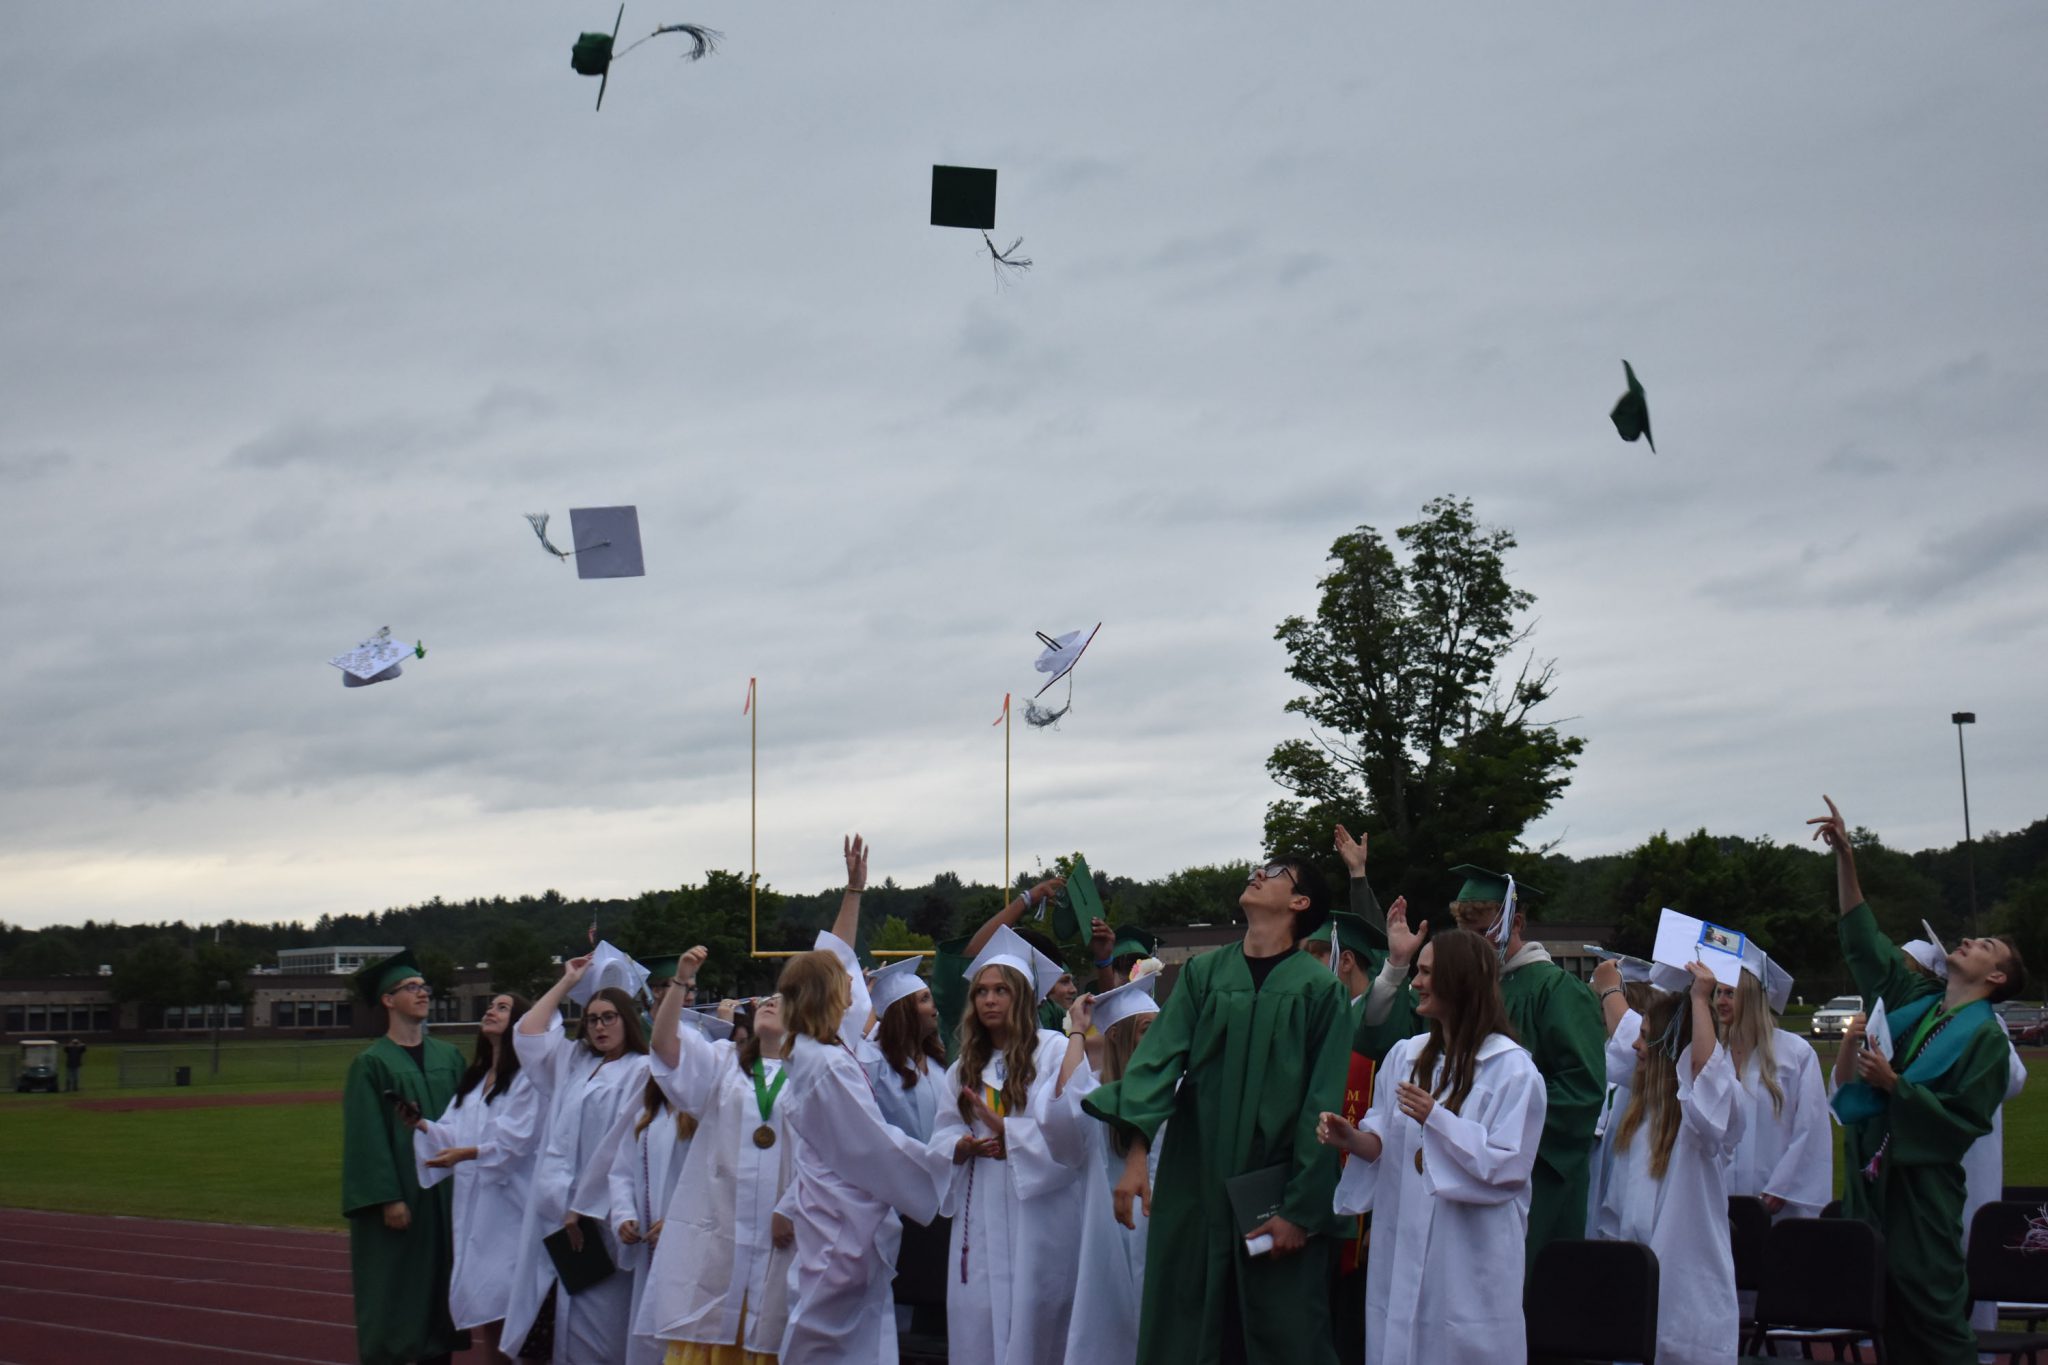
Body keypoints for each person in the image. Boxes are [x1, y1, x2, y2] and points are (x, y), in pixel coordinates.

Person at [1082, 854, 1354, 1365]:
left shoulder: (1320, 992)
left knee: (1282, 1334)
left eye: (1277, 872)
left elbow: (1322, 1108)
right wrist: (1137, 1154)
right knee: (1187, 1329)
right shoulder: (1205, 974)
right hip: (1195, 1183)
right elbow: (1156, 1063)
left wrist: (1299, 1212)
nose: (1260, 871)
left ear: (1300, 903)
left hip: (1273, 1191)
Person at [1811, 795, 2028, 1364]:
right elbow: (1865, 941)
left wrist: (1893, 1086)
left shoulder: (1985, 1037)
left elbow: (1963, 1121)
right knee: (1875, 1315)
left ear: (1997, 976)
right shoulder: (1915, 998)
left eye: (1985, 946)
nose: (1968, 942)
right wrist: (1846, 860)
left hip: (1922, 1193)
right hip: (1872, 1179)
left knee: (1934, 1321)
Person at [1315, 929, 1545, 1365]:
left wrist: (1437, 1119)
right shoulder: (1407, 1056)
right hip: (1402, 1244)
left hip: (1466, 1253)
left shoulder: (1512, 1072)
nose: (1416, 983)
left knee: (1459, 1344)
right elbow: (1385, 1144)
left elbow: (1509, 1167)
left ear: (1458, 981)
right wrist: (1353, 1139)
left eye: (1425, 973)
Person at [1356, 865, 1604, 1265]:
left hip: (1527, 1177)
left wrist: (1481, 1127)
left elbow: (1582, 1091)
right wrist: (1397, 966)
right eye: (1460, 927)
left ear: (1514, 922)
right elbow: (1380, 1040)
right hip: (1439, 1177)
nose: (1466, 940)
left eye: (1478, 927)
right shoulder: (1448, 993)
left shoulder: (1555, 991)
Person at [775, 946, 955, 1365]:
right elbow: (873, 1143)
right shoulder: (830, 1064)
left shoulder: (809, 1053)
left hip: (832, 1207)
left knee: (847, 1332)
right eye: (846, 981)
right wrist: (943, 1162)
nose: (855, 989)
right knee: (824, 1335)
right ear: (828, 994)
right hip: (842, 1216)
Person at [931, 924, 1088, 1364]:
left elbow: (1073, 1134)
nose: (989, 1000)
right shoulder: (963, 1068)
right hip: (979, 1211)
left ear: (1021, 997)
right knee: (978, 1318)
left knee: (1036, 1319)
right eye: (982, 991)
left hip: (1038, 1216)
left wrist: (1004, 1130)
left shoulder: (1053, 1051)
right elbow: (941, 1133)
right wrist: (960, 1146)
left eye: (1001, 990)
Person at [637, 944, 796, 1363]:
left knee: (771, 1333)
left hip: (781, 1233)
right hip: (721, 1230)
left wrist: (794, 1205)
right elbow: (665, 1045)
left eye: (781, 1001)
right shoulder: (724, 1063)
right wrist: (681, 980)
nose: (768, 1003)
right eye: (766, 999)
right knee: (713, 1327)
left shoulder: (811, 1071)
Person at [503, 957, 654, 1364]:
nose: (601, 1027)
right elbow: (528, 1035)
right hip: (553, 1214)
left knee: (602, 1332)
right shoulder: (574, 1063)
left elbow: (618, 1145)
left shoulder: (641, 1071)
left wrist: (582, 1207)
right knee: (556, 1328)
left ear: (628, 1020)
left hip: (601, 1218)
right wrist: (567, 982)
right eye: (591, 1020)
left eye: (609, 1017)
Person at [1594, 964, 1743, 1365]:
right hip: (1636, 1293)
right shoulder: (1639, 1116)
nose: (1635, 1047)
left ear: (1667, 1046)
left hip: (1687, 1299)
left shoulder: (1700, 1124)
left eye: (1646, 1037)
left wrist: (1699, 999)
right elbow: (1615, 1214)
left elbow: (1707, 1076)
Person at [340, 949, 470, 1365]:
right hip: (403, 1198)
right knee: (397, 1290)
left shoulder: (448, 1057)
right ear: (387, 999)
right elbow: (366, 1137)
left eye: (423, 986)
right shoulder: (371, 1063)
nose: (422, 993)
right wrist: (388, 1197)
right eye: (410, 987)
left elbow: (470, 1119)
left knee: (442, 1289)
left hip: (447, 1195)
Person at [1903, 939, 2033, 1342]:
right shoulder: (1917, 1017)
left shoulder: (1983, 1023)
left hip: (1966, 1165)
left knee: (1966, 1265)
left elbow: (2013, 1080)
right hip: (1913, 1167)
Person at [410, 992, 542, 1363]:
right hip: (473, 1210)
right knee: (486, 1305)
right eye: (490, 1005)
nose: (490, 1010)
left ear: (519, 1021)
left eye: (502, 1007)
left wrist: (467, 1154)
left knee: (511, 1305)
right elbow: (452, 1133)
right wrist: (420, 1125)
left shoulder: (527, 1080)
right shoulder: (475, 1079)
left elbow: (517, 1141)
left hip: (510, 1210)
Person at [1044, 975, 1164, 1365]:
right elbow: (1061, 1117)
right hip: (1106, 1246)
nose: (1159, 1038)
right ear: (1118, 1038)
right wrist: (1077, 1031)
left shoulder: (1177, 1091)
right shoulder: (1094, 1098)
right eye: (1147, 1030)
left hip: (1165, 1241)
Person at [1714, 957, 1830, 1220]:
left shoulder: (1794, 1055)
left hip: (1779, 1205)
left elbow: (1810, 1127)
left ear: (1752, 998)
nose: (1720, 1001)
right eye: (1718, 992)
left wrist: (1782, 1187)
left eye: (1730, 993)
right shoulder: (1715, 1055)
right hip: (1720, 1201)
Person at [595, 1070, 697, 1365]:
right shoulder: (645, 1117)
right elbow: (622, 1173)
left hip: (687, 1246)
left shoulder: (702, 1116)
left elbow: (711, 1178)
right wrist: (624, 1216)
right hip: (648, 1246)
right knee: (647, 1338)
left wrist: (679, 1219)